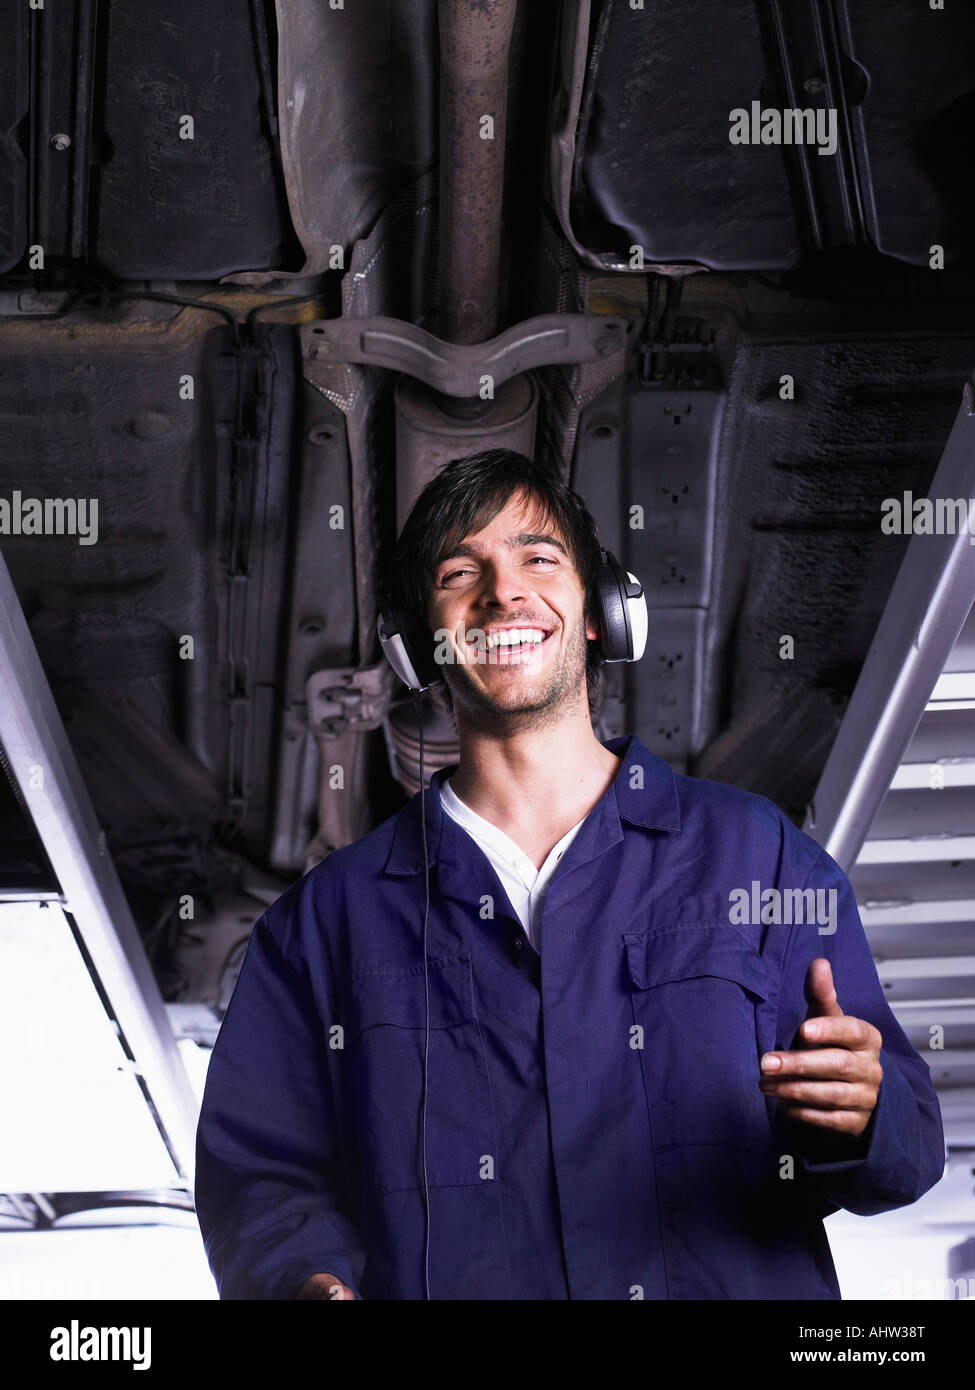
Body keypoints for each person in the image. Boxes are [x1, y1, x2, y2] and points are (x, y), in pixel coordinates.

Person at [194, 449, 945, 1300]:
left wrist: (863, 1113)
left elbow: (907, 1153)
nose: (502, 592)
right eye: (458, 571)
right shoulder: (324, 926)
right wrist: (305, 1281)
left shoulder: (757, 858)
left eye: (537, 559)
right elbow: (258, 1174)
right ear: (415, 645)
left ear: (601, 613)